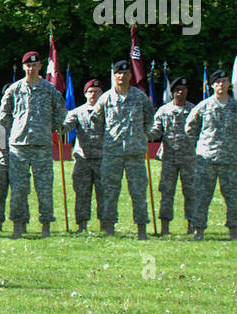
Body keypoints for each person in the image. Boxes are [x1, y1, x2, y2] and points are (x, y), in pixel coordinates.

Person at [0, 50, 66, 237]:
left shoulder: (50, 89)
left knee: (44, 187)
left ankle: (46, 225)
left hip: (42, 146)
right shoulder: (14, 89)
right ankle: (18, 225)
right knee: (18, 188)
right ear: (23, 67)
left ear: (40, 66)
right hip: (19, 147)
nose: (31, 68)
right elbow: (4, 114)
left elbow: (61, 112)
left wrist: (48, 127)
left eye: (34, 65)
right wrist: (15, 129)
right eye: (28, 65)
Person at [186, 70, 237, 241]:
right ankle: (198, 230)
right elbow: (190, 128)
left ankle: (234, 231)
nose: (221, 85)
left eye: (224, 81)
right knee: (202, 196)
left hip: (229, 160)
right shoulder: (203, 107)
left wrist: (233, 144)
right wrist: (203, 145)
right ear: (212, 85)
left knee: (233, 196)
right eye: (217, 82)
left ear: (229, 84)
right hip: (206, 160)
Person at [91, 60, 154, 238]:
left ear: (130, 75)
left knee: (139, 192)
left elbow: (150, 119)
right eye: (118, 73)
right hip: (113, 153)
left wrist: (141, 137)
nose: (122, 76)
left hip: (135, 154)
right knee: (110, 191)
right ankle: (109, 228)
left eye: (125, 73)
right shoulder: (106, 98)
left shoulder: (140, 97)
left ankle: (142, 229)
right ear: (114, 75)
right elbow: (96, 122)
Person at [147, 77, 196, 235]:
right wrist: (147, 135)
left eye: (183, 90)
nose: (180, 93)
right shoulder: (163, 111)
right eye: (177, 90)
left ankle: (192, 225)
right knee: (166, 192)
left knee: (190, 192)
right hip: (169, 158)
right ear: (172, 93)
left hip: (189, 158)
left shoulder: (194, 110)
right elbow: (156, 130)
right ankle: (165, 226)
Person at [61, 79, 104, 232]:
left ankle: (105, 226)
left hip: (102, 159)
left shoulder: (108, 111)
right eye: (91, 91)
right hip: (83, 160)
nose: (94, 94)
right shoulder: (77, 112)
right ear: (85, 94)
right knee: (82, 193)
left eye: (97, 91)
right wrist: (59, 126)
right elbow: (66, 126)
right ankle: (82, 226)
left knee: (104, 194)